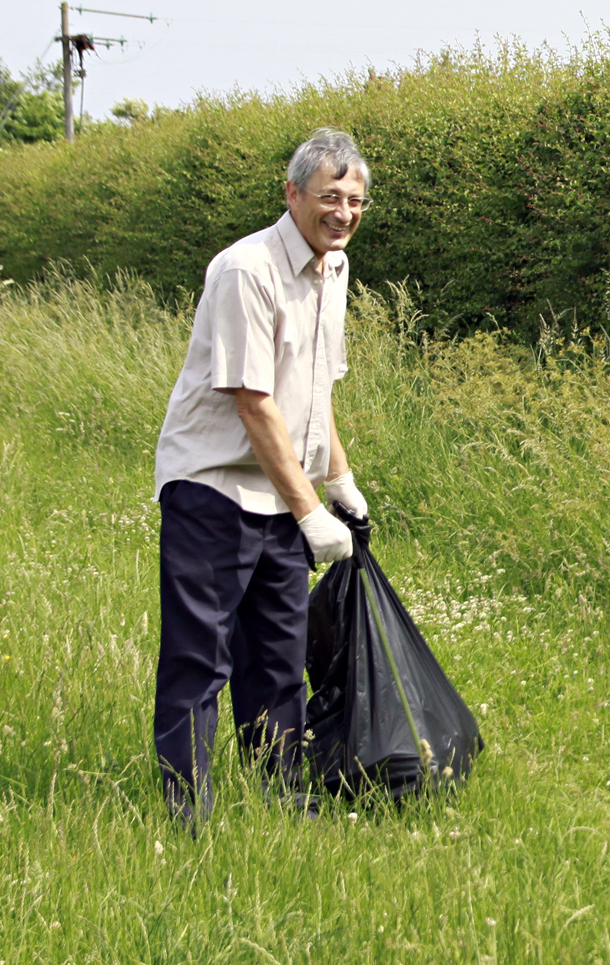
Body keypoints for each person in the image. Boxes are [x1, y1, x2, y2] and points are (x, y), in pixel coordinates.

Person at [151, 127, 374, 824]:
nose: (343, 213)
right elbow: (253, 400)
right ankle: (187, 811)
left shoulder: (333, 268)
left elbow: (313, 389)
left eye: (356, 201)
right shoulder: (247, 271)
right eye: (329, 197)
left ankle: (281, 794)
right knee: (201, 659)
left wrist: (340, 483)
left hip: (283, 492)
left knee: (278, 660)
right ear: (292, 194)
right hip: (212, 488)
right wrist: (311, 512)